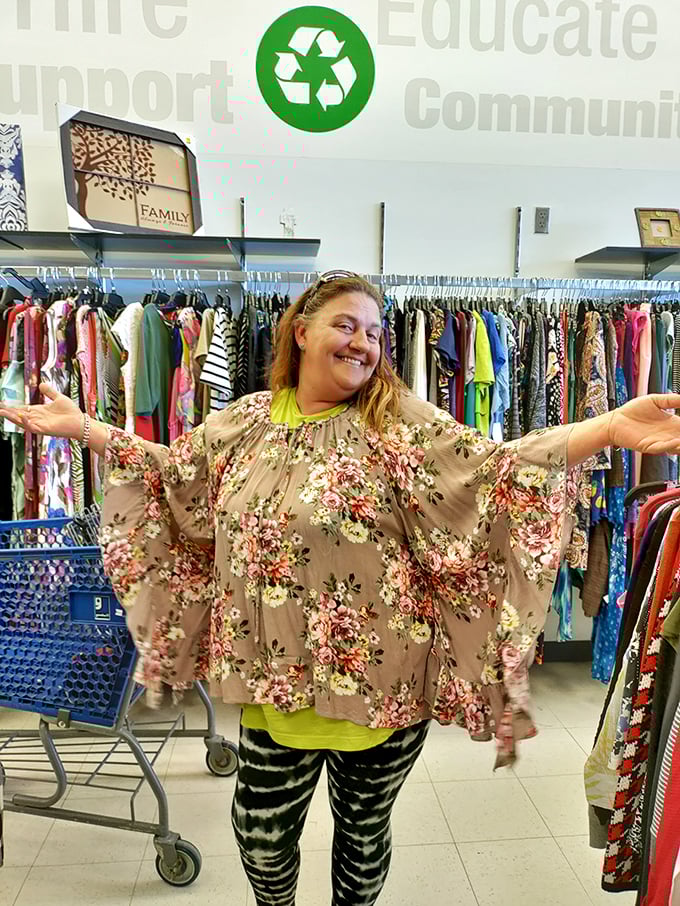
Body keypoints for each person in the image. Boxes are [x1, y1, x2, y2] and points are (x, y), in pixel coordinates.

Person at [3, 271, 680, 906]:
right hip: (275, 684)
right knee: (263, 844)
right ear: (301, 331)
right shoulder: (244, 421)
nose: (363, 342)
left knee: (362, 841)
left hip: (384, 691)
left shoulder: (402, 425)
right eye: (346, 325)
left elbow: (499, 468)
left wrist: (611, 428)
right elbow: (175, 473)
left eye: (375, 332)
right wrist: (84, 429)